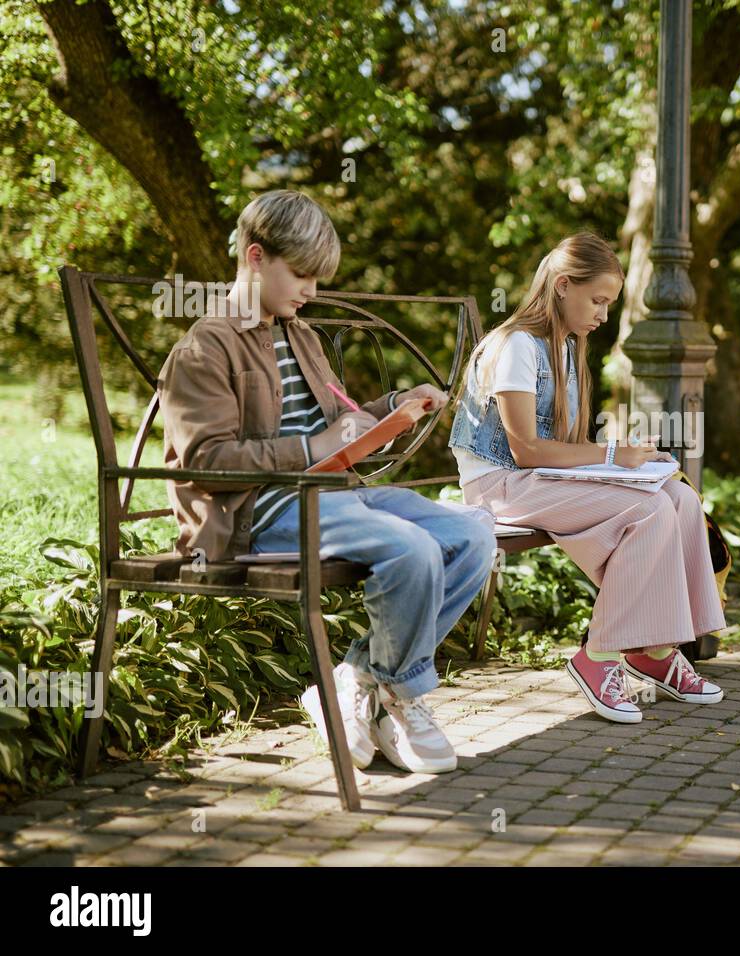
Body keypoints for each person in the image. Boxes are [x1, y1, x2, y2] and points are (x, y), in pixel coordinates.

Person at [158, 189, 497, 774]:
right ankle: (404, 698)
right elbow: (205, 461)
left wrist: (392, 408)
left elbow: (334, 424)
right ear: (256, 256)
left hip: (329, 494)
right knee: (412, 551)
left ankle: (360, 680)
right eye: (303, 275)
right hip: (253, 513)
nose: (313, 292)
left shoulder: (301, 336)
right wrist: (311, 448)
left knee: (473, 535)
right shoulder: (205, 346)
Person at [449, 232, 727, 723]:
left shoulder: (566, 350)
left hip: (537, 483)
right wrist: (614, 455)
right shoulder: (517, 345)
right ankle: (598, 655)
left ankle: (656, 648)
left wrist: (633, 464)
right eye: (597, 300)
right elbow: (526, 449)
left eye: (608, 303)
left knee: (678, 498)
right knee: (649, 508)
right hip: (500, 488)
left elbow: (559, 453)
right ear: (561, 285)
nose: (603, 314)